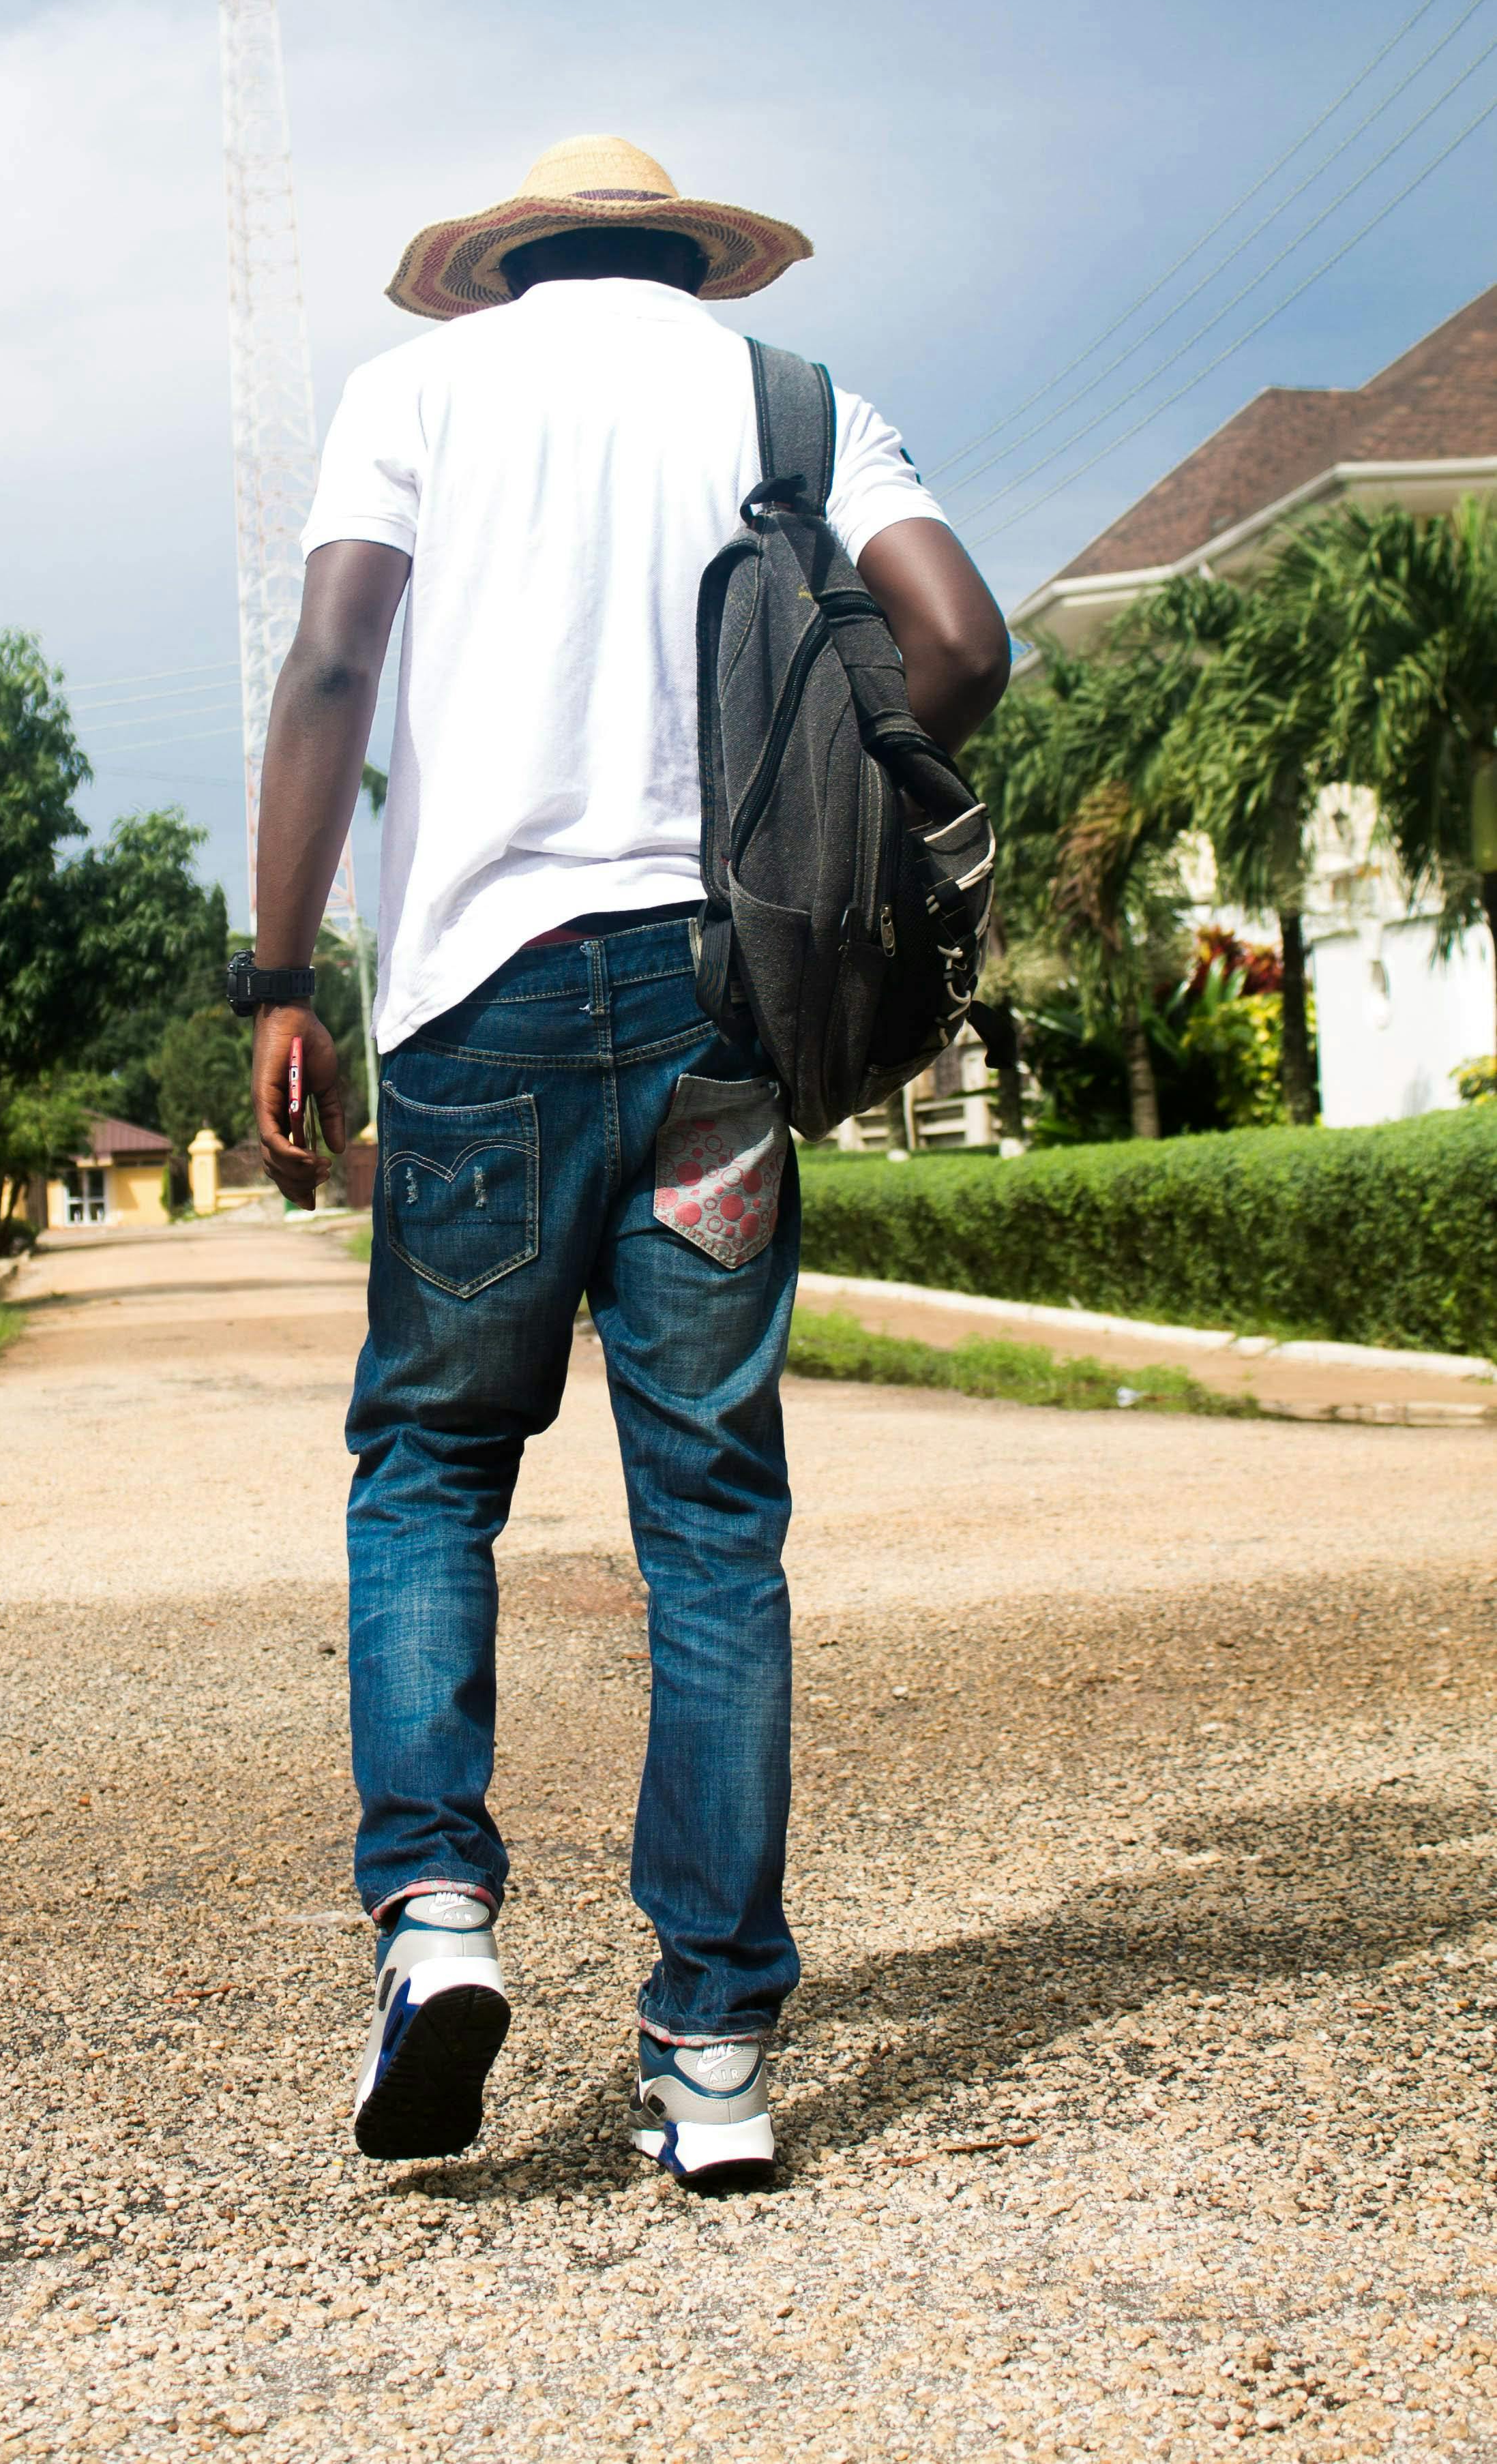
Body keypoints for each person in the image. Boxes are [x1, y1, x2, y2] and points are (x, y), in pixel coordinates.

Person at [248, 136, 1009, 2189]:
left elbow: (332, 667)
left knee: (428, 1469)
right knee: (711, 1524)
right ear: (693, 258)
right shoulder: (794, 399)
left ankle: (434, 1922)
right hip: (722, 1019)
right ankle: (715, 2058)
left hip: (480, 1014)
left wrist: (276, 968)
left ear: (501, 267)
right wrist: (821, 836)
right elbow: (959, 644)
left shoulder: (418, 395)